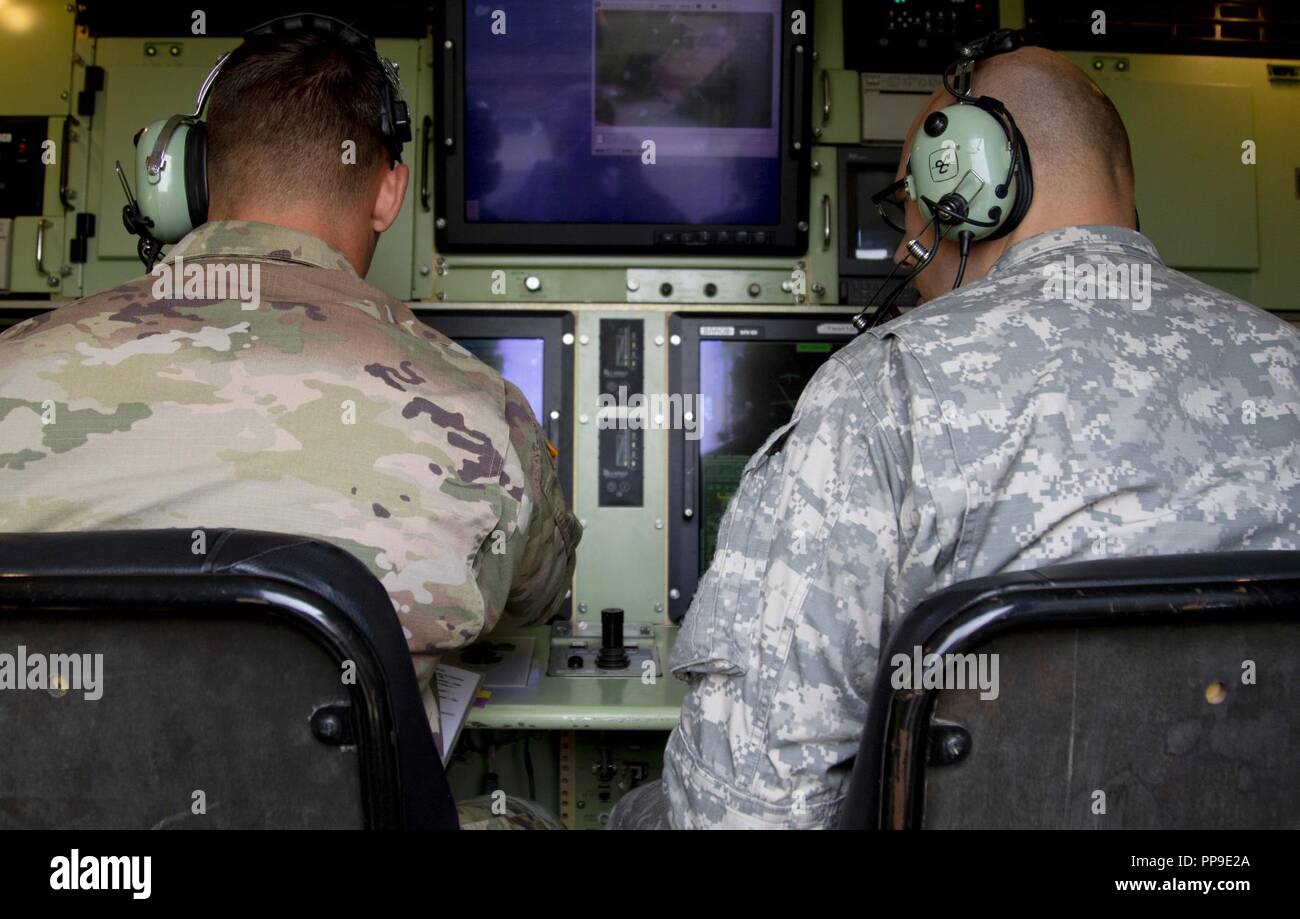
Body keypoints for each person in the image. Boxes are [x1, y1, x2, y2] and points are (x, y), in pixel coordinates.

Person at [612, 45, 1300, 829]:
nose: (909, 243)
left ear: (963, 182)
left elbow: (742, 816)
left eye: (910, 200)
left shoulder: (884, 388)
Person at [0, 20, 580, 729]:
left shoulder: (13, 370)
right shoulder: (483, 412)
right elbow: (538, 598)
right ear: (389, 193)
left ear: (188, 178)